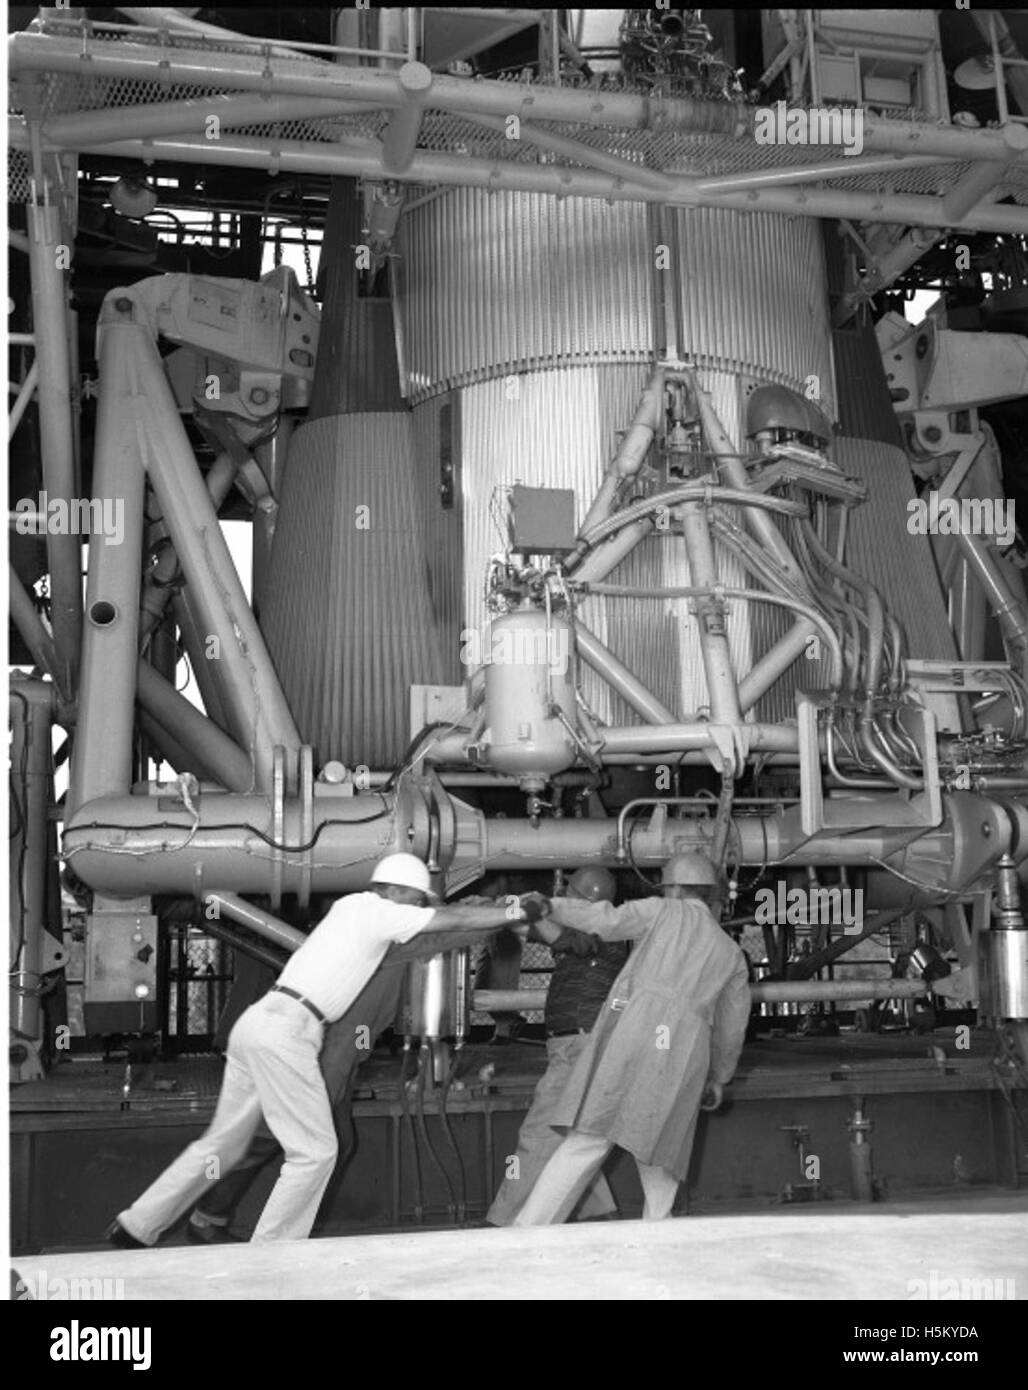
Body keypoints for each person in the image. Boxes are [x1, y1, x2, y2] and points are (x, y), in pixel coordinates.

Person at [106, 853, 546, 1246]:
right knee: (315, 1152)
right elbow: (446, 924)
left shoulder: (352, 911)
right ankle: (271, 1254)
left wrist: (491, 912)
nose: (418, 909)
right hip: (288, 1031)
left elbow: (439, 929)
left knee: (222, 1144)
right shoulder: (378, 911)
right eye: (416, 900)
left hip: (260, 1024)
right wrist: (511, 909)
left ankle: (136, 1225)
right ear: (395, 891)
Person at [512, 852, 751, 1226]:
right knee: (661, 1145)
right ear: (711, 893)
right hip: (683, 1049)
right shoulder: (731, 952)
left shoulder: (660, 911)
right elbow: (732, 1027)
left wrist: (550, 905)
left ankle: (528, 1228)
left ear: (671, 887)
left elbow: (603, 920)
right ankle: (659, 1228)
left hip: (636, 1031)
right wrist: (719, 1077)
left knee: (588, 1137)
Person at [486, 867, 628, 1226]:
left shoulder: (608, 930)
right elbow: (530, 929)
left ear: (583, 898)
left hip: (581, 1044)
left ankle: (500, 1222)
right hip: (574, 1044)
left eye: (569, 890)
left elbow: (567, 940)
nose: (562, 892)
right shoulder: (590, 928)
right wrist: (503, 909)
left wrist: (533, 909)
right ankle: (600, 1213)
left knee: (539, 1135)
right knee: (571, 1132)